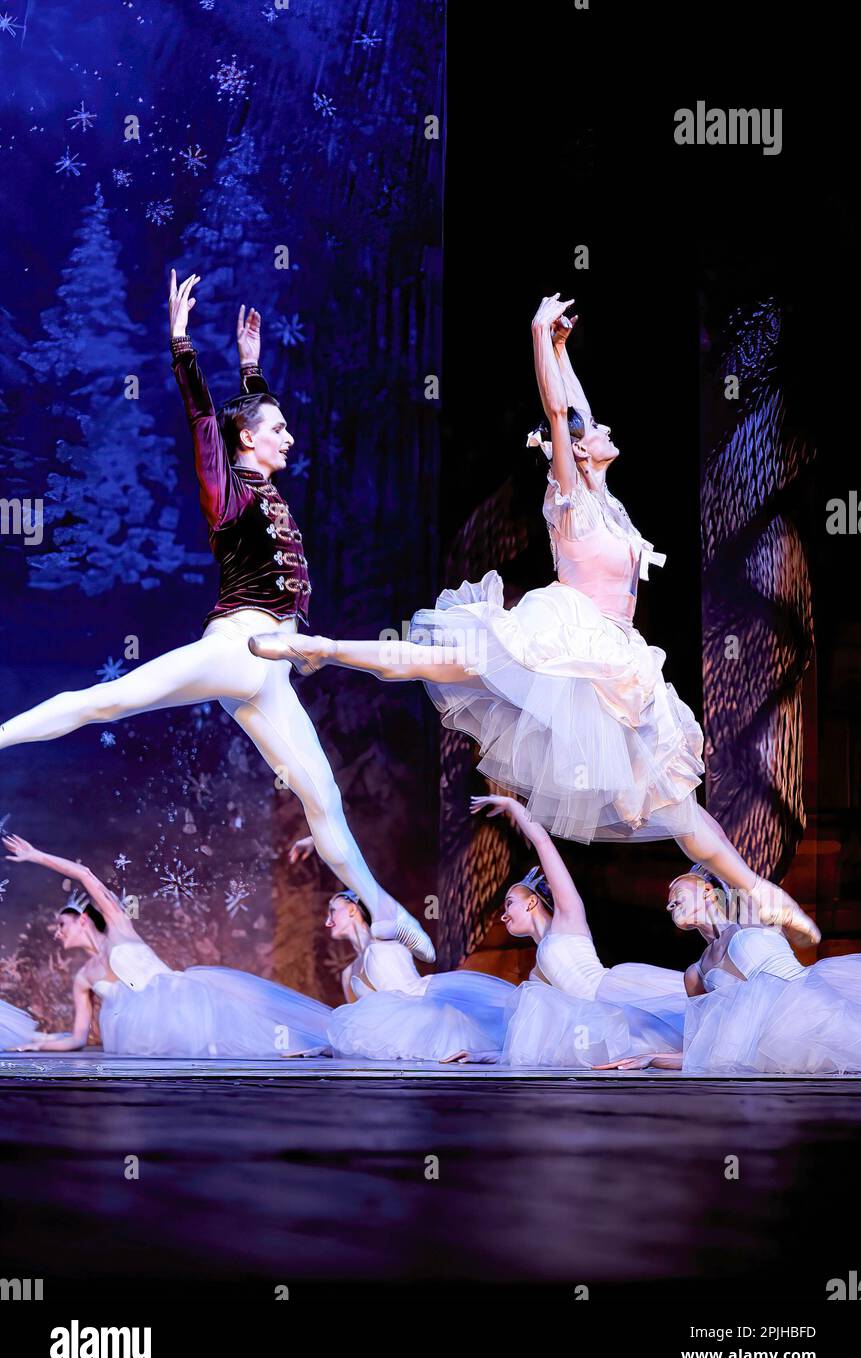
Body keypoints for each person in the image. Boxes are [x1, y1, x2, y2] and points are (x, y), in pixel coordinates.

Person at [249, 294, 818, 950]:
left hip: (616, 657)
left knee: (681, 812)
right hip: (568, 632)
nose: (598, 429)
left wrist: (564, 352)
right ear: (573, 453)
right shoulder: (571, 498)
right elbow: (558, 412)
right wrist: (536, 334)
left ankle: (755, 889)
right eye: (582, 435)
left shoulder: (606, 500)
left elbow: (576, 408)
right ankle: (320, 646)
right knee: (439, 660)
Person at [0, 272, 433, 964]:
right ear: (246, 440)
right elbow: (207, 421)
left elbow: (240, 414)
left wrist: (252, 365)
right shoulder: (226, 492)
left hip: (269, 674)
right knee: (108, 700)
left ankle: (380, 909)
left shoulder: (261, 483)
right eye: (278, 429)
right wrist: (181, 345)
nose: (289, 438)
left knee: (322, 797)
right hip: (238, 647)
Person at [1, 833, 332, 1058]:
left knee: (249, 1035)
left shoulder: (118, 926)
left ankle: (308, 1046)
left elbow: (85, 874)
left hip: (180, 999)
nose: (57, 932)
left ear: (83, 919)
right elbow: (76, 1038)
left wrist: (37, 856)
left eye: (61, 924)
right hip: (142, 1033)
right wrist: (39, 1042)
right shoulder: (83, 978)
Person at [447, 795, 689, 1067]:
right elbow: (536, 1039)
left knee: (686, 1025)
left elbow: (543, 843)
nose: (503, 915)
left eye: (509, 903)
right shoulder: (537, 976)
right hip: (595, 1019)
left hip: (612, 993)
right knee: (649, 1051)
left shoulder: (567, 919)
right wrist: (486, 1057)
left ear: (531, 902)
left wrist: (512, 805)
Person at [600, 868, 861, 1074]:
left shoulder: (750, 915)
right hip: (768, 1052)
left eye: (677, 894)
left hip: (817, 1015)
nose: (670, 904)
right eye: (668, 904)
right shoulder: (695, 974)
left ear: (706, 890)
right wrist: (653, 1058)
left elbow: (721, 856)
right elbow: (704, 1047)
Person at [289, 834, 514, 1062]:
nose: (327, 921)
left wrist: (321, 841)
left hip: (432, 1021)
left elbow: (356, 869)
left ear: (351, 909)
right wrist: (327, 1049)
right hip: (402, 1047)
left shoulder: (383, 939)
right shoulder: (348, 974)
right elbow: (359, 1032)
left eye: (332, 911)